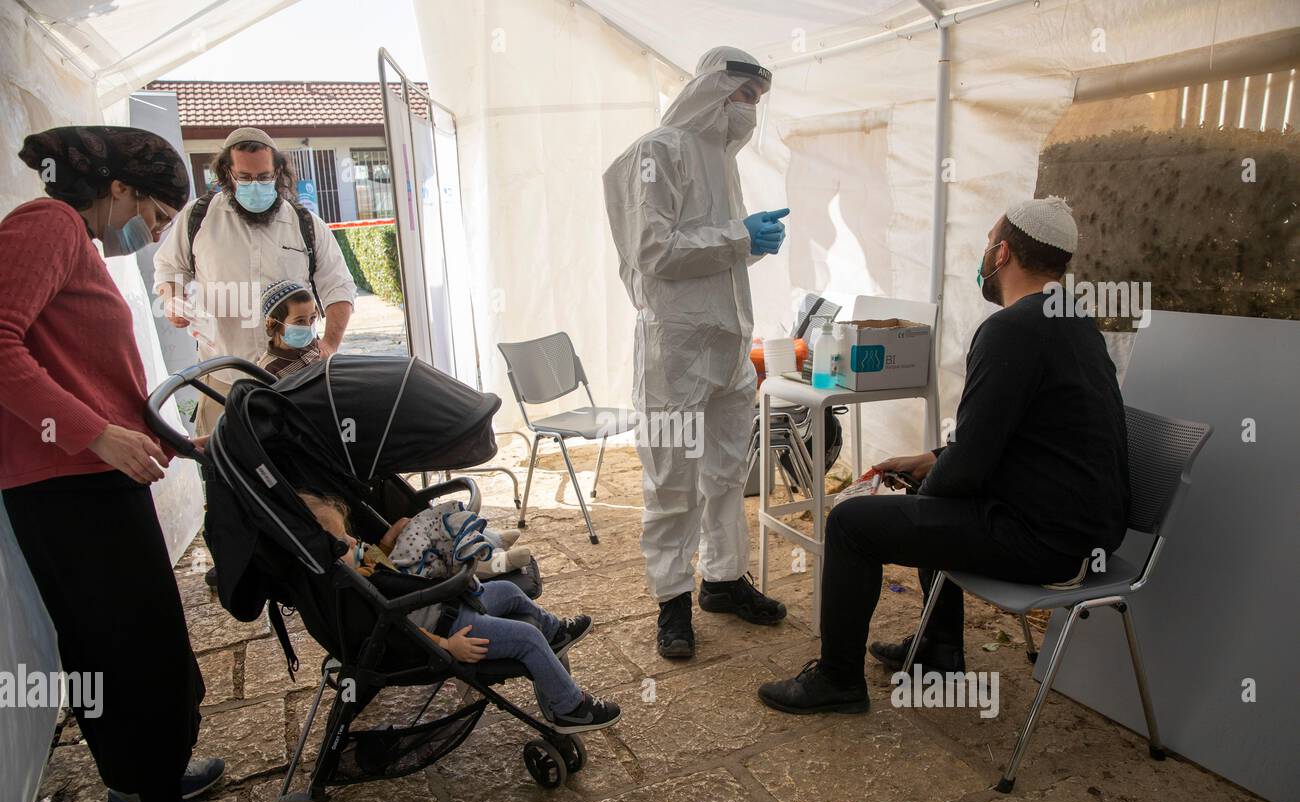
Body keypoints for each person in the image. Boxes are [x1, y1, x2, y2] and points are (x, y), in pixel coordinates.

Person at [1, 126, 265, 802]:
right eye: (151, 218)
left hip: (84, 480)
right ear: (118, 188)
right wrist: (94, 437)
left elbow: (94, 378)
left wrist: (184, 445)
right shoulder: (47, 224)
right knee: (135, 651)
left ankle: (135, 785)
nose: (149, 236)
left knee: (116, 647)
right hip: (69, 486)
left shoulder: (73, 242)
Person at [758, 197, 1130, 714]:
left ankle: (838, 679)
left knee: (851, 523)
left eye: (986, 245)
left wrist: (932, 481)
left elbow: (972, 468)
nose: (982, 256)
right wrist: (934, 459)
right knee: (931, 489)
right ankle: (939, 651)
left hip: (1045, 543)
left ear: (1002, 254)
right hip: (1085, 532)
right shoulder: (1075, 322)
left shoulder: (1011, 329)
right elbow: (1014, 439)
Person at [604, 46, 791, 660]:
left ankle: (724, 579)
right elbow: (655, 250)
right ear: (713, 88)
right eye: (743, 95)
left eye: (757, 100)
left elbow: (711, 252)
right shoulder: (657, 152)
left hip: (729, 344)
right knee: (672, 477)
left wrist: (750, 241)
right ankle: (672, 604)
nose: (749, 110)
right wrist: (742, 236)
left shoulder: (721, 160)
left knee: (727, 473)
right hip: (676, 349)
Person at [299, 493, 621, 732]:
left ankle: (555, 632)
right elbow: (397, 631)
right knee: (526, 638)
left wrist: (387, 540)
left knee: (509, 591)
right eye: (343, 541)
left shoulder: (361, 569)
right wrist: (447, 648)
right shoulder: (356, 594)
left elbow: (387, 567)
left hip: (447, 605)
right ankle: (569, 706)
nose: (353, 541)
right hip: (448, 630)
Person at [153, 127, 355, 435]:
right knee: (226, 468)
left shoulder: (305, 225)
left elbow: (338, 286)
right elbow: (169, 268)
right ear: (227, 173)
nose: (256, 186)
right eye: (245, 178)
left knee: (296, 470)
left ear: (278, 172)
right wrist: (172, 299)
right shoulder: (199, 218)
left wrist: (330, 344)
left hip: (295, 381)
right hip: (222, 381)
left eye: (264, 177)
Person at [257, 279, 322, 378]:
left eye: (312, 318)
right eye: (300, 321)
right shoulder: (268, 368)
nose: (309, 327)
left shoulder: (313, 343)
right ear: (273, 323)